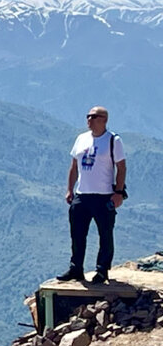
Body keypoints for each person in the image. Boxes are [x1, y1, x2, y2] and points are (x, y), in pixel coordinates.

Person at [59, 106, 127, 284]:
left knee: (105, 234)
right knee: (77, 234)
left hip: (104, 196)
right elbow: (74, 166)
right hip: (82, 195)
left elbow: (121, 167)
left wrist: (118, 192)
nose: (89, 119)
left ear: (104, 119)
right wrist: (69, 189)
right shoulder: (81, 139)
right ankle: (76, 269)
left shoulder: (113, 140)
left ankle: (102, 270)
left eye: (93, 116)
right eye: (87, 116)